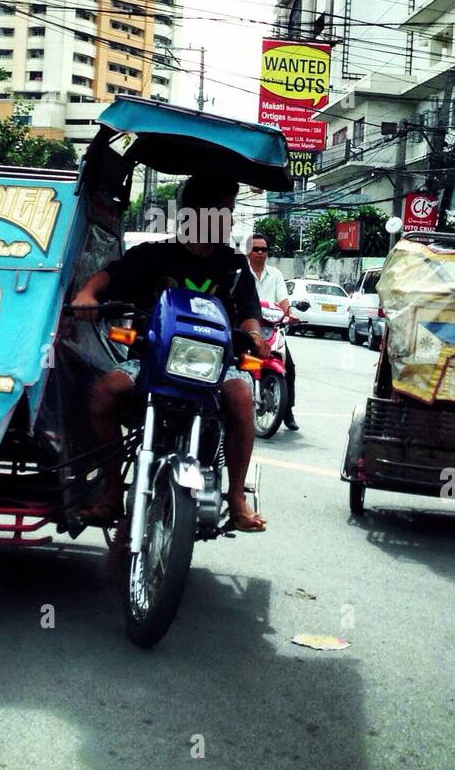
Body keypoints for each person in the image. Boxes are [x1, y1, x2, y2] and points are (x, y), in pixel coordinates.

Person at [70, 172, 268, 532]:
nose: (228, 219)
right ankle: (112, 491)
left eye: (229, 211)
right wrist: (88, 294)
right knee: (103, 392)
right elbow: (109, 276)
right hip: (151, 362)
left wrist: (254, 336)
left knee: (241, 395)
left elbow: (250, 314)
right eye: (223, 210)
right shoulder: (152, 256)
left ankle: (236, 497)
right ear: (194, 213)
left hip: (216, 368)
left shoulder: (235, 267)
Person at [245, 233, 298, 431]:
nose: (260, 252)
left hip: (270, 329)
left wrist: (289, 314)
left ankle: (287, 411)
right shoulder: (242, 272)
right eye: (256, 249)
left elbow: (283, 299)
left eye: (264, 249)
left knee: (290, 366)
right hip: (246, 328)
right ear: (248, 252)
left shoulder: (275, 274)